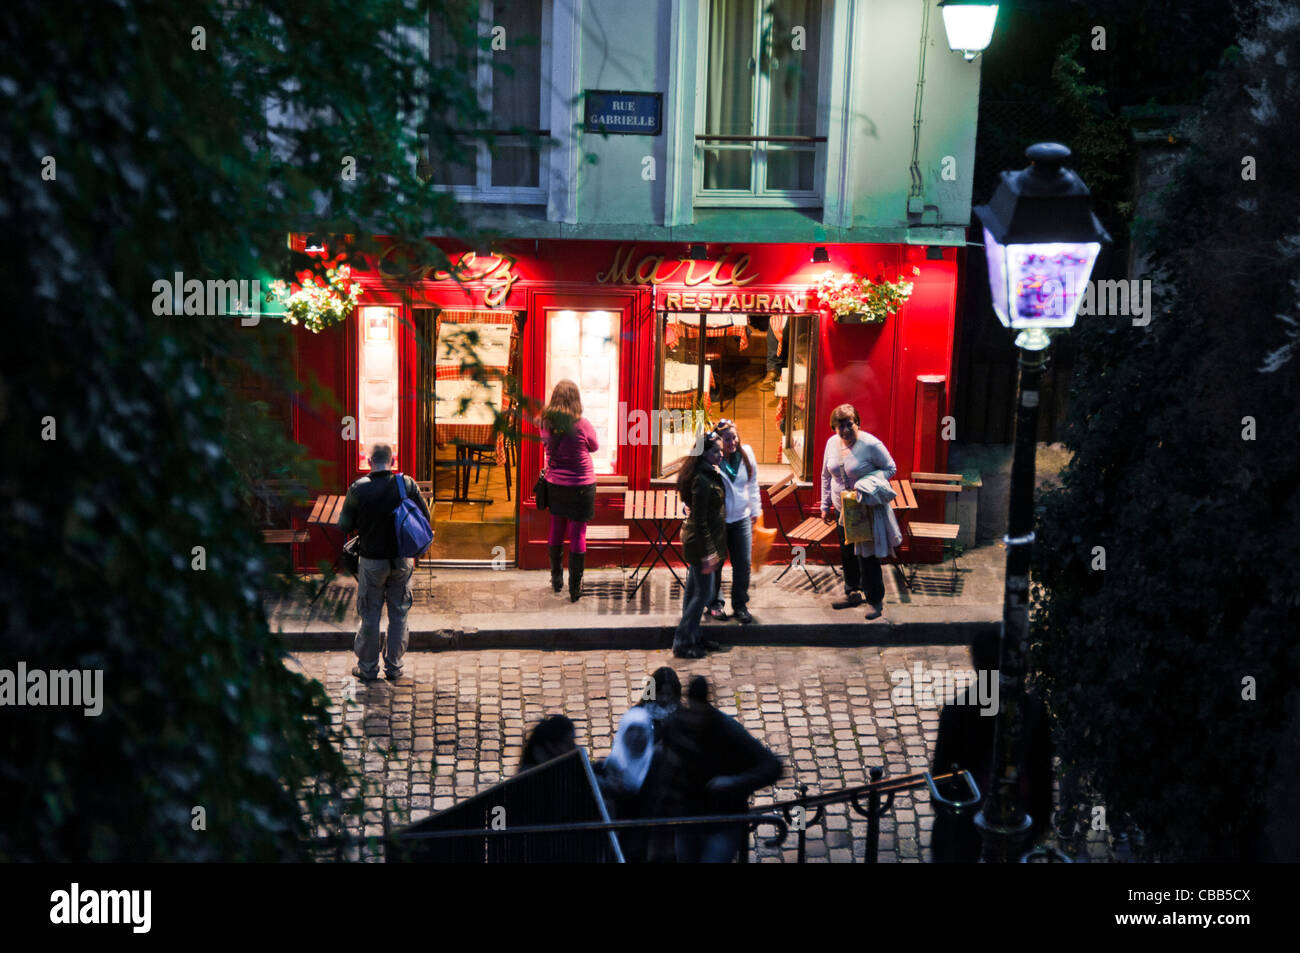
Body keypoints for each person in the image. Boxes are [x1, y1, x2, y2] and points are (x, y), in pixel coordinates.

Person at [929, 630, 1054, 862]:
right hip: (1016, 828)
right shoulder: (1034, 710)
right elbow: (1042, 780)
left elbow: (941, 781)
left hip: (963, 834)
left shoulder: (958, 712)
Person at [655, 675, 783, 863]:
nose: (695, 720)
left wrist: (733, 782)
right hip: (688, 821)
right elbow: (667, 771)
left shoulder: (727, 730)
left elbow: (772, 766)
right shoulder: (676, 725)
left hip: (723, 822)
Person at [338, 443, 431, 682]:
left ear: (369, 461)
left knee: (370, 614)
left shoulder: (358, 489)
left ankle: (368, 668)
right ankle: (394, 667)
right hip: (401, 559)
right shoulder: (407, 484)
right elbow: (426, 518)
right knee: (399, 613)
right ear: (393, 460)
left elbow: (344, 526)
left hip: (371, 561)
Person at [819, 403, 896, 620]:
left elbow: (891, 468)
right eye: (839, 426)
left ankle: (874, 600)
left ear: (858, 423)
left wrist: (866, 482)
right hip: (841, 507)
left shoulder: (870, 444)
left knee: (867, 555)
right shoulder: (831, 444)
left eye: (849, 424)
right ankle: (852, 591)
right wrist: (825, 505)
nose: (844, 430)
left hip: (864, 508)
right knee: (847, 552)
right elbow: (826, 475)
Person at [539, 380, 599, 602]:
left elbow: (546, 445)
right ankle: (575, 588)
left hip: (555, 484)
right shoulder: (582, 424)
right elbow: (594, 446)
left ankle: (556, 580)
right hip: (581, 485)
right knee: (578, 534)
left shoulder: (545, 423)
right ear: (576, 400)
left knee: (556, 528)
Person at [672, 431, 728, 659]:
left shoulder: (708, 473)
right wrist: (709, 553)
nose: (721, 455)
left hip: (703, 542)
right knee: (703, 594)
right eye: (716, 451)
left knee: (694, 591)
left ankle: (693, 636)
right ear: (704, 453)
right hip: (701, 544)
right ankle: (682, 641)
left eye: (721, 450)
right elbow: (700, 520)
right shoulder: (702, 480)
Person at [704, 419, 761, 626]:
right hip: (718, 521)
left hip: (741, 518)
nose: (732, 442)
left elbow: (753, 483)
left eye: (734, 437)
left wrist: (756, 510)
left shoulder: (746, 454)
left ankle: (740, 605)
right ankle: (714, 604)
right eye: (727, 439)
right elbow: (694, 479)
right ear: (719, 441)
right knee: (716, 564)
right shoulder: (712, 458)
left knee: (743, 564)